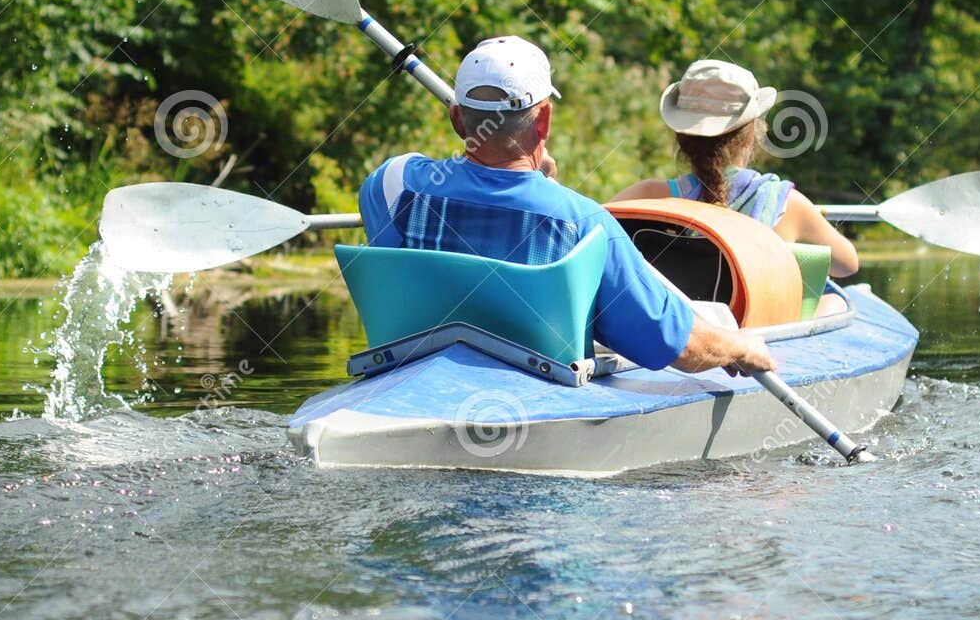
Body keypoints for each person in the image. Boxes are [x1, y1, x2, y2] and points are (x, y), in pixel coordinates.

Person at [357, 36, 775, 375]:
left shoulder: (391, 187)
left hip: (408, 373)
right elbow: (677, 345)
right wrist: (739, 346)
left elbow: (444, 180)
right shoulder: (586, 225)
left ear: (455, 120)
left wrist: (527, 173)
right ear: (544, 120)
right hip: (532, 389)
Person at [609, 59, 858, 313]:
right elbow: (848, 265)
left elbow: (584, 232)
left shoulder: (646, 197)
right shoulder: (787, 204)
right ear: (751, 136)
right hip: (754, 332)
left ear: (681, 138)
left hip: (673, 328)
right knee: (836, 301)